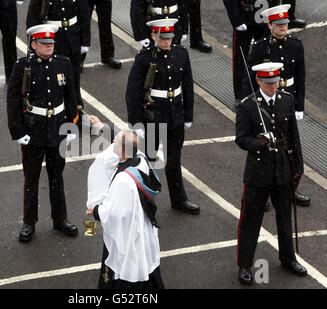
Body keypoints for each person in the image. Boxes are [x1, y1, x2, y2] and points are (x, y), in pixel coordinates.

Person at [235, 62, 308, 285]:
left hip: (282, 169)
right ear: (258, 81)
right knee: (251, 219)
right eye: (268, 83)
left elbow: (293, 136)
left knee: (285, 216)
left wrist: (298, 166)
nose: (273, 87)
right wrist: (259, 142)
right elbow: (240, 139)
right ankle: (245, 265)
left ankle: (288, 258)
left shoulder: (286, 100)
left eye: (275, 82)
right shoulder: (248, 106)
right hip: (258, 171)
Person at [7, 24, 80, 241]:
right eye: (45, 44)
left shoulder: (63, 63)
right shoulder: (22, 66)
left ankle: (60, 219)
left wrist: (71, 125)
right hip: (34, 130)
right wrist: (18, 131)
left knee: (57, 177)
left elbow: (71, 96)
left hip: (57, 128)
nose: (49, 47)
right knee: (32, 179)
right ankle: (29, 222)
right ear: (34, 44)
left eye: (51, 43)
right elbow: (12, 100)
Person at [126, 18, 200, 215]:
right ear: (153, 36)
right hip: (153, 115)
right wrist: (136, 123)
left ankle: (179, 199)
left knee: (174, 160)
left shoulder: (180, 54)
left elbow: (187, 86)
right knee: (147, 160)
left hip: (175, 113)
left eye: (169, 37)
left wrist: (188, 115)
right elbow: (133, 92)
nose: (167, 41)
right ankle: (144, 199)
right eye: (162, 38)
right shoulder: (144, 58)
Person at [242, 4, 310, 206]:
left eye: (286, 23)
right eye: (279, 24)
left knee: (289, 148)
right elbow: (249, 79)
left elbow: (300, 76)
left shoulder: (295, 45)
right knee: (265, 150)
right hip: (265, 105)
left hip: (286, 102)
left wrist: (299, 106)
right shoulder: (261, 47)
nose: (283, 27)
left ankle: (289, 188)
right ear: (270, 24)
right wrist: (251, 105)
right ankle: (262, 193)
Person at [86, 130, 164, 289]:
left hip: (128, 232)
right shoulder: (141, 160)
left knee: (126, 268)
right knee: (145, 263)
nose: (112, 141)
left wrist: (95, 211)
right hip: (142, 223)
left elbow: (117, 213)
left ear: (122, 151)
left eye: (115, 141)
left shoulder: (123, 180)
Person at [26, 0, 91, 109]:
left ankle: (75, 111)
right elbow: (33, 18)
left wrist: (85, 40)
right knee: (52, 79)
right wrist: (34, 46)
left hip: (72, 38)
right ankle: (57, 111)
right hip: (52, 40)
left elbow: (84, 12)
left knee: (74, 80)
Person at [223, 0, 279, 104]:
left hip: (264, 16)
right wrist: (236, 19)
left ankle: (262, 91)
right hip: (244, 15)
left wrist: (274, 13)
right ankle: (240, 94)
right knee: (240, 58)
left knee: (264, 58)